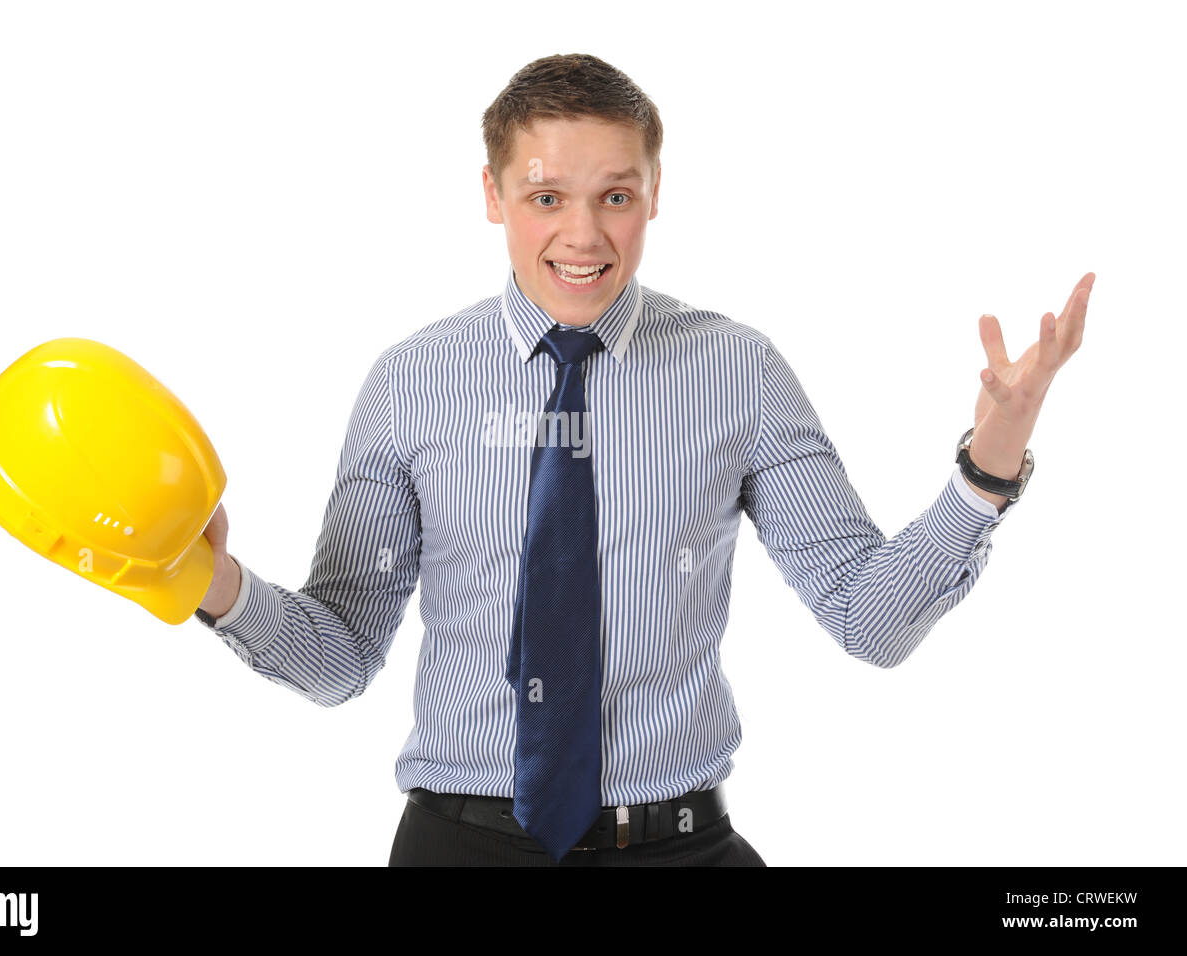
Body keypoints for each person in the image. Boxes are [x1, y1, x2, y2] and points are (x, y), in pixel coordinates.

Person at [193, 53, 1093, 867]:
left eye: (615, 197)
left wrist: (988, 465)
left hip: (679, 848)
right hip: (461, 849)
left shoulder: (737, 371)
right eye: (548, 197)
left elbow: (869, 619)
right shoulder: (409, 384)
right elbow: (340, 654)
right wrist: (209, 580)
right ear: (493, 193)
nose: (584, 236)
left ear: (654, 192)